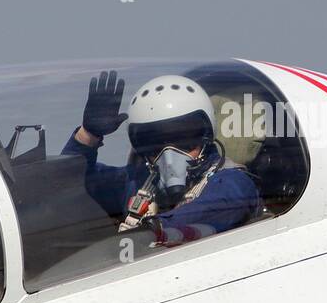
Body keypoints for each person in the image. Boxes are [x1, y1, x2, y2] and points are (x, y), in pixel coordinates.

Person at [62, 70, 260, 245]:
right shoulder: (138, 183)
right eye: (155, 144)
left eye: (183, 139)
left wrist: (150, 231)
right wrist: (87, 136)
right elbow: (67, 182)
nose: (169, 154)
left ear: (206, 136)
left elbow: (215, 208)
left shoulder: (233, 182)